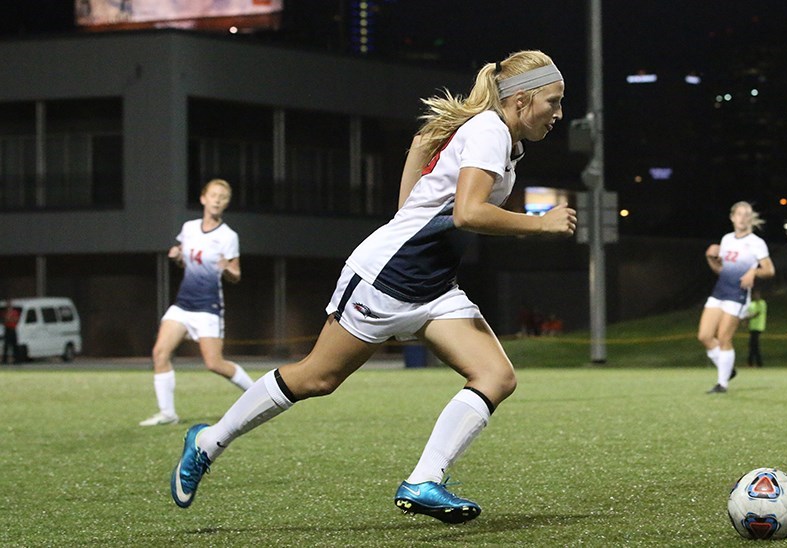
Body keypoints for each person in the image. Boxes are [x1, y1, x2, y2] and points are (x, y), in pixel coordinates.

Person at [168, 51, 574, 524]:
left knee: (497, 377)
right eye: (554, 101)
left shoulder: (504, 141)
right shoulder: (488, 131)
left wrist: (406, 214)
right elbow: (468, 213)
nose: (559, 114)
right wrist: (539, 225)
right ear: (522, 100)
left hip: (434, 286)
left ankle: (424, 480)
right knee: (317, 377)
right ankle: (207, 441)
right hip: (388, 278)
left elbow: (423, 142)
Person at [140, 178, 253, 426]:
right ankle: (168, 414)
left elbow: (236, 274)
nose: (217, 200)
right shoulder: (189, 228)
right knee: (160, 353)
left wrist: (226, 268)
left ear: (226, 204)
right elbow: (185, 260)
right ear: (203, 198)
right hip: (182, 305)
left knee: (214, 363)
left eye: (223, 197)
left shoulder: (227, 236)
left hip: (208, 307)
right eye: (214, 195)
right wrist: (178, 256)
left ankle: (256, 394)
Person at [698, 201, 775, 393]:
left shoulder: (756, 243)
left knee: (724, 337)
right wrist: (710, 258)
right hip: (720, 291)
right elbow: (722, 271)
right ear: (732, 217)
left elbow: (769, 270)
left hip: (737, 294)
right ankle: (727, 369)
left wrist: (753, 273)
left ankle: (721, 383)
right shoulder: (726, 240)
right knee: (705, 336)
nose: (742, 218)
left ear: (750, 218)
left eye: (746, 214)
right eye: (739, 214)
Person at [744, 289, 767, 367]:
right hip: (752, 328)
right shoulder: (751, 304)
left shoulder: (762, 303)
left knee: (755, 345)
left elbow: (756, 314)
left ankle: (757, 363)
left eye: (758, 294)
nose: (756, 296)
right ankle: (752, 363)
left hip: (759, 327)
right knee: (752, 346)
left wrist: (748, 317)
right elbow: (747, 313)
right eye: (755, 294)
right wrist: (746, 321)